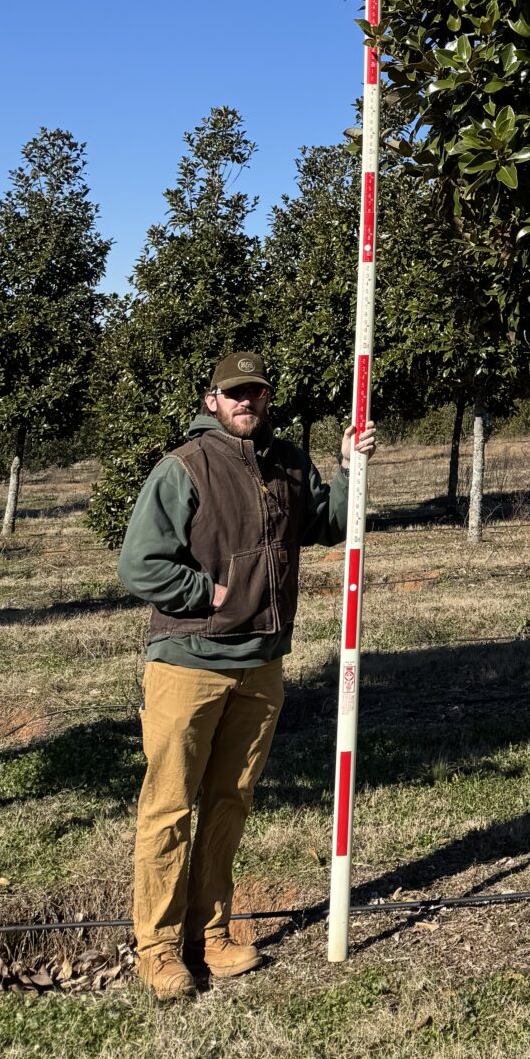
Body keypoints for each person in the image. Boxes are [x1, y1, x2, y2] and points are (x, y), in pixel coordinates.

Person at [117, 350, 375, 999]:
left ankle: (213, 934)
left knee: (230, 803)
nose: (246, 402)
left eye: (256, 392)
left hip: (262, 665)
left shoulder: (288, 460)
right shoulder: (184, 468)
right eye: (233, 394)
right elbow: (140, 566)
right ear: (211, 402)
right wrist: (212, 595)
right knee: (170, 809)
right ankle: (157, 950)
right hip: (187, 666)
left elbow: (331, 524)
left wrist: (349, 469)